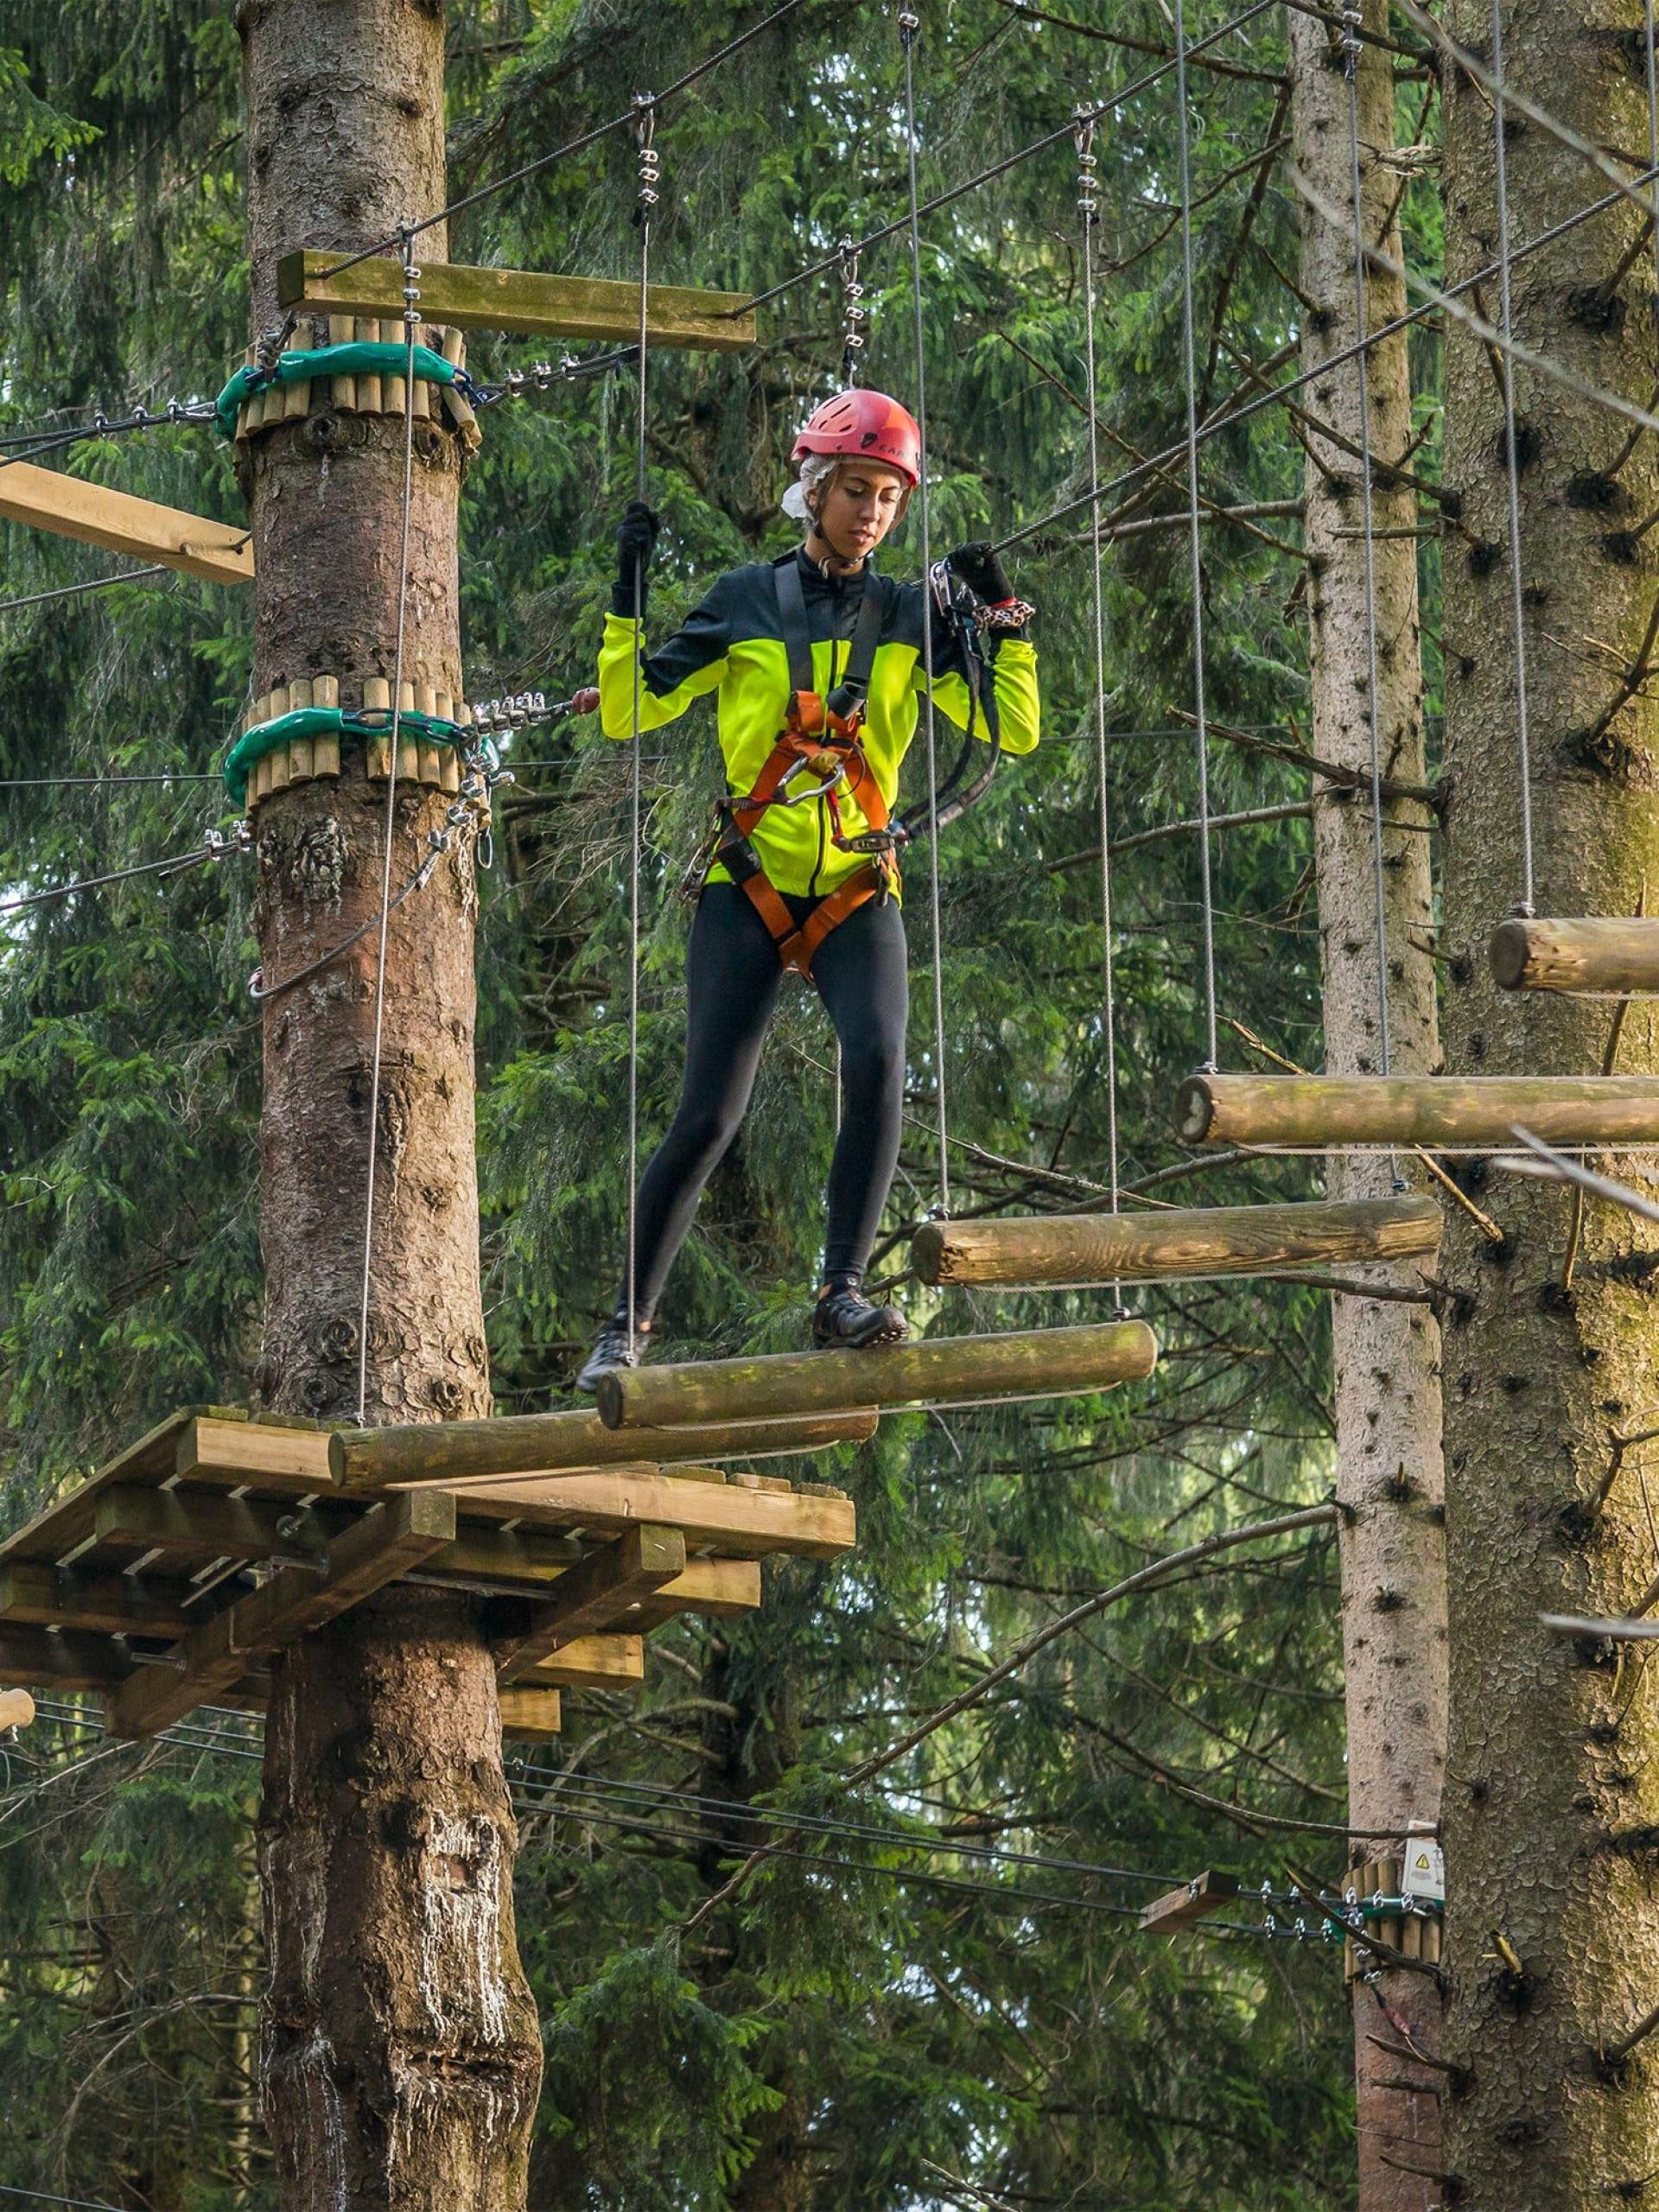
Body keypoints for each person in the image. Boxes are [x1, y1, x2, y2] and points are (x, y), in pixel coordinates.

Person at [576, 388, 1041, 1391]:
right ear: (815, 490)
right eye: (858, 490)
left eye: (889, 498)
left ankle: (839, 1290)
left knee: (878, 1064)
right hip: (746, 885)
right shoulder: (746, 599)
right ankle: (628, 1323)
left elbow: (1011, 730)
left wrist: (1003, 620)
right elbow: (625, 711)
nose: (873, 512)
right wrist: (628, 592)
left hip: (855, 886)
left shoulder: (915, 614)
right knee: (709, 1114)